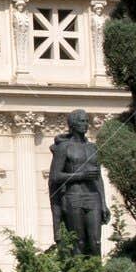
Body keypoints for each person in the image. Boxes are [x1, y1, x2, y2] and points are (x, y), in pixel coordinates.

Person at [48, 108, 109, 256]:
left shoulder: (93, 147)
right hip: (73, 197)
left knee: (95, 242)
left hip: (93, 197)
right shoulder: (63, 148)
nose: (86, 124)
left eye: (87, 121)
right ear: (73, 124)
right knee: (78, 241)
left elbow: (98, 177)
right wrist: (81, 175)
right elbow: (55, 176)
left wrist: (103, 203)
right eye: (82, 121)